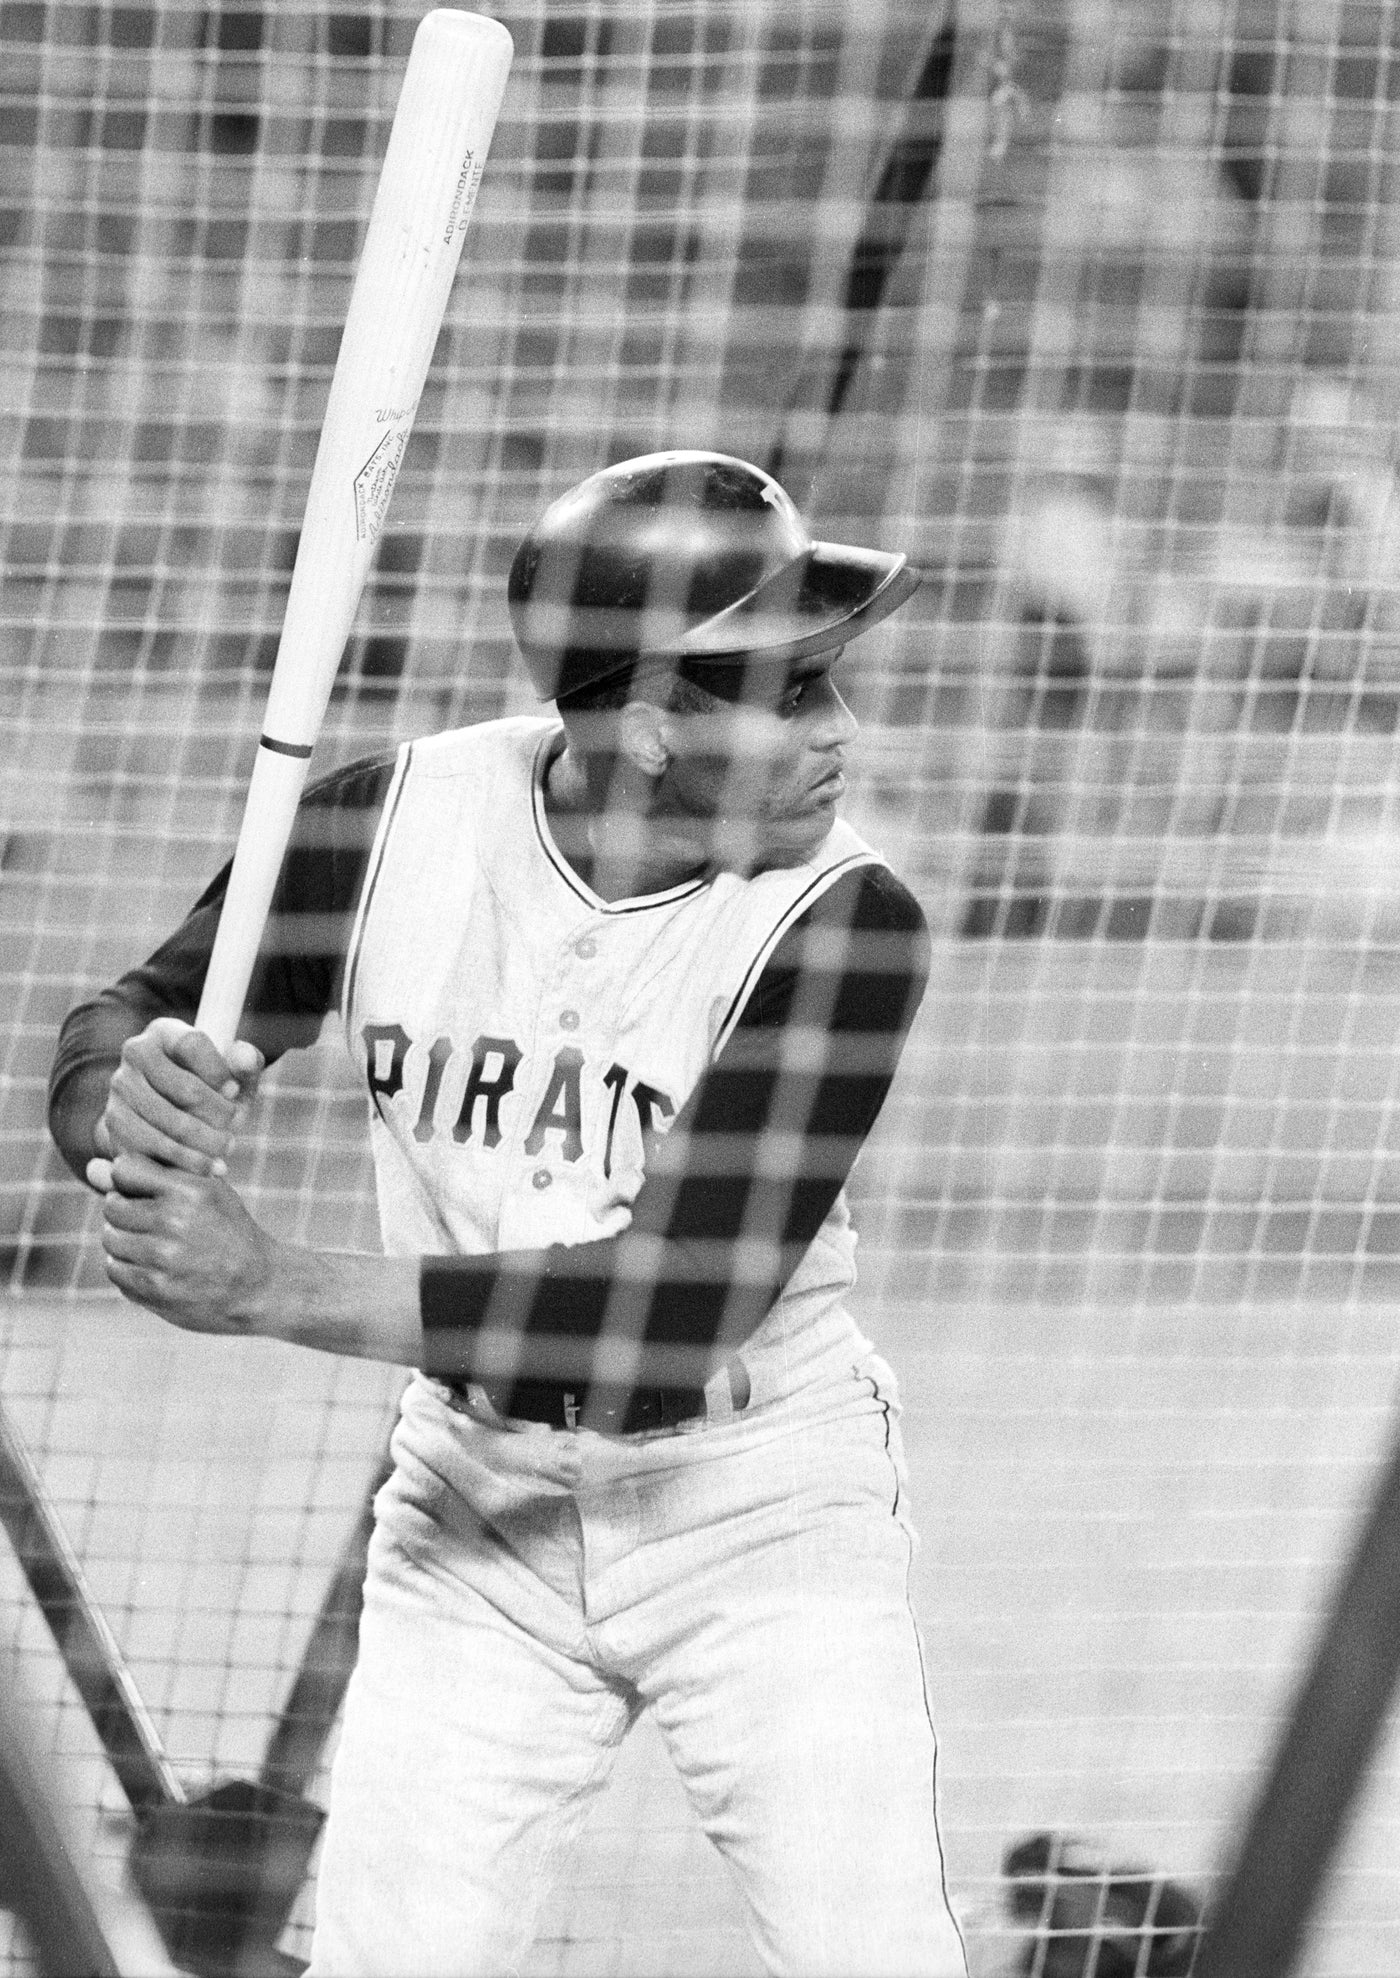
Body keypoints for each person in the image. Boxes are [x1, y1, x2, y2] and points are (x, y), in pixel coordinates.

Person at [48, 451, 969, 1978]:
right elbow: (134, 1013)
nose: (840, 730)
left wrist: (269, 1282)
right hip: (477, 1512)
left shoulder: (846, 922)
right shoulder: (391, 824)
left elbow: (670, 1313)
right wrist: (124, 1102)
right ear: (651, 721)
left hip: (755, 1505)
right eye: (791, 691)